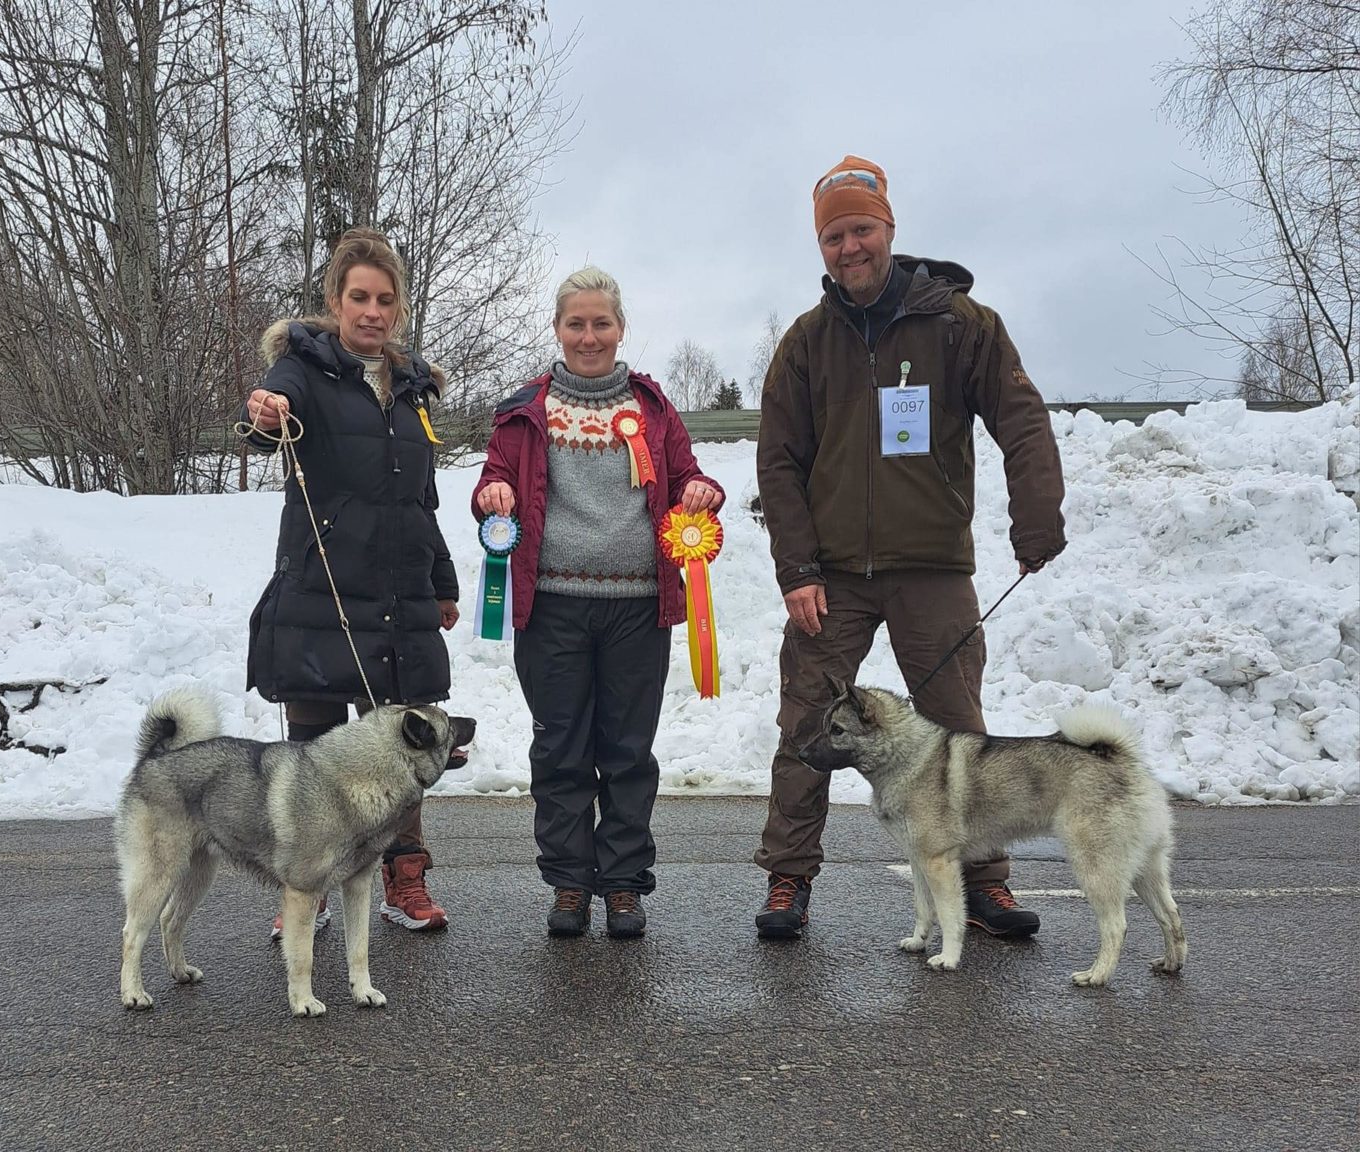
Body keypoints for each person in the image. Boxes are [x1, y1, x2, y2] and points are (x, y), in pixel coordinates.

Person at [752, 155, 1067, 941]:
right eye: (833, 236)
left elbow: (1021, 421)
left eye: (861, 229)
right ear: (819, 246)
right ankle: (789, 880)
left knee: (958, 729)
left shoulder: (961, 325)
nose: (849, 247)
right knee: (807, 729)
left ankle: (984, 880)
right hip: (832, 579)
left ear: (889, 229)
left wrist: (1037, 519)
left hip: (931, 568)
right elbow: (779, 461)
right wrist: (796, 568)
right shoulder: (806, 343)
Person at [471, 267, 725, 939]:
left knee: (628, 751)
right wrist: (491, 497)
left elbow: (686, 475)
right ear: (557, 329)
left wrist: (701, 492)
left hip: (637, 609)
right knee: (560, 749)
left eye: (601, 323)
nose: (589, 336)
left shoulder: (653, 407)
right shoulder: (522, 408)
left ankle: (621, 885)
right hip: (551, 606)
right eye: (576, 323)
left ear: (620, 329)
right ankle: (567, 883)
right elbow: (495, 478)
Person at [242, 226, 458, 938]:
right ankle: (307, 891)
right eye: (358, 297)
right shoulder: (303, 367)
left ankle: (405, 879)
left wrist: (444, 580)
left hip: (400, 596)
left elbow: (422, 501)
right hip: (322, 589)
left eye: (385, 300)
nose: (371, 311)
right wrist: (264, 413)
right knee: (313, 751)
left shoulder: (414, 388)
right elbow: (270, 411)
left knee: (404, 748)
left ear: (398, 308)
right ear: (334, 300)